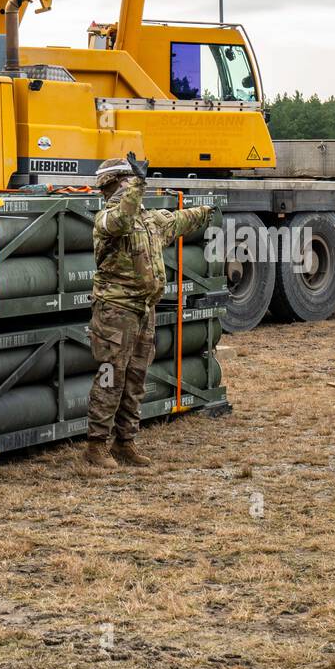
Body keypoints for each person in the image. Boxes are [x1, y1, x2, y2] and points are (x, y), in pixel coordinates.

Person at [85, 154, 214, 469]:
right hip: (115, 312)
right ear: (117, 184)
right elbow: (122, 220)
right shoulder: (106, 220)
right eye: (129, 180)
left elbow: (178, 221)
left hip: (144, 311)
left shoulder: (150, 220)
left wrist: (209, 209)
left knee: (136, 379)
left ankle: (124, 442)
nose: (132, 186)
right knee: (110, 377)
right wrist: (140, 184)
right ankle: (96, 446)